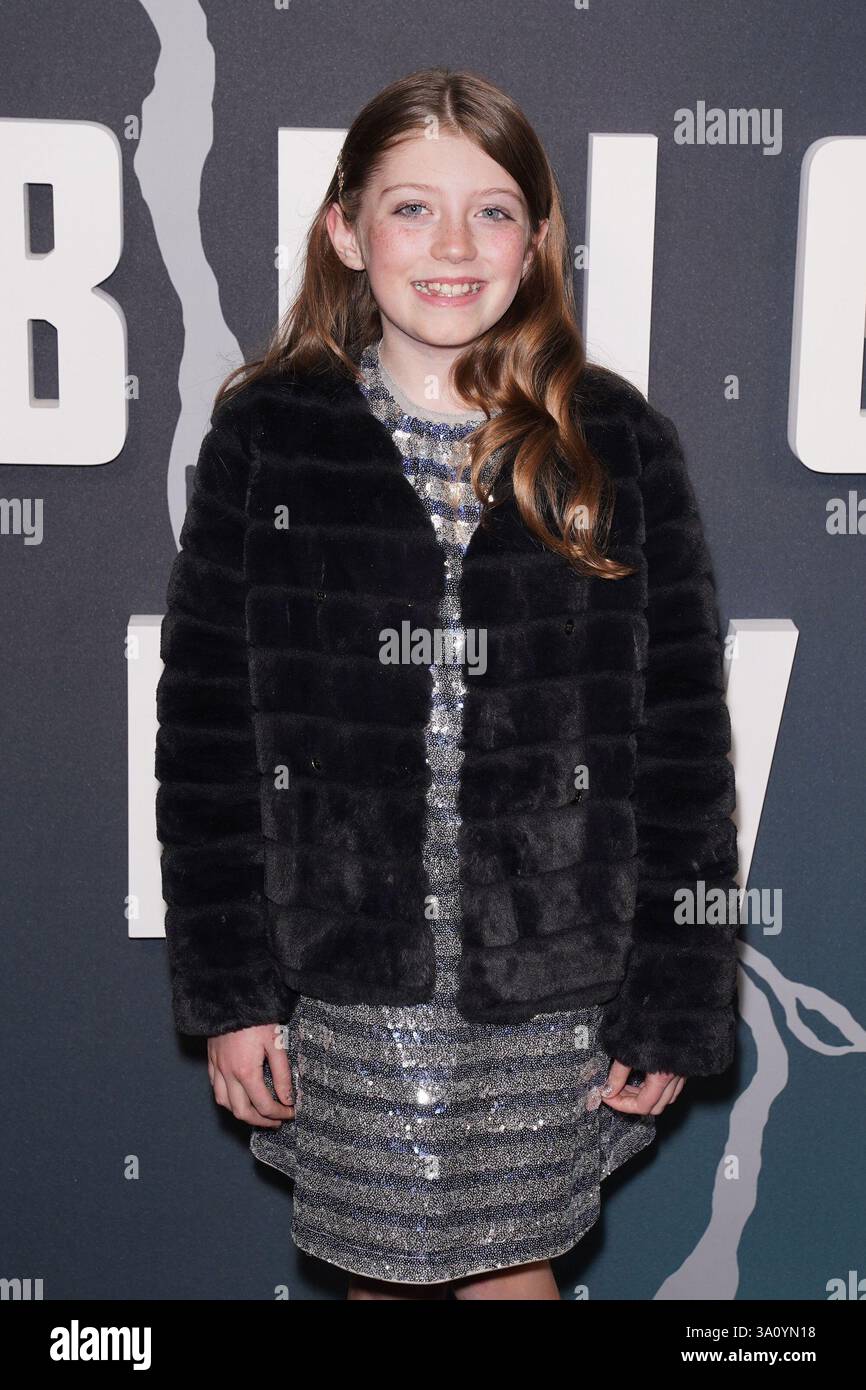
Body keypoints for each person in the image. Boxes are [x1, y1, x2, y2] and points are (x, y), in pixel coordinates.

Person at [155, 67, 740, 1301]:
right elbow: (206, 733)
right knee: (381, 1273)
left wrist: (674, 992)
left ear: (534, 241)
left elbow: (681, 739)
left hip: (547, 977)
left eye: (490, 211)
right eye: (410, 208)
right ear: (344, 231)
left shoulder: (612, 440)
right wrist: (230, 990)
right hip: (346, 973)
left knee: (508, 1269)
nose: (452, 246)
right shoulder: (268, 435)